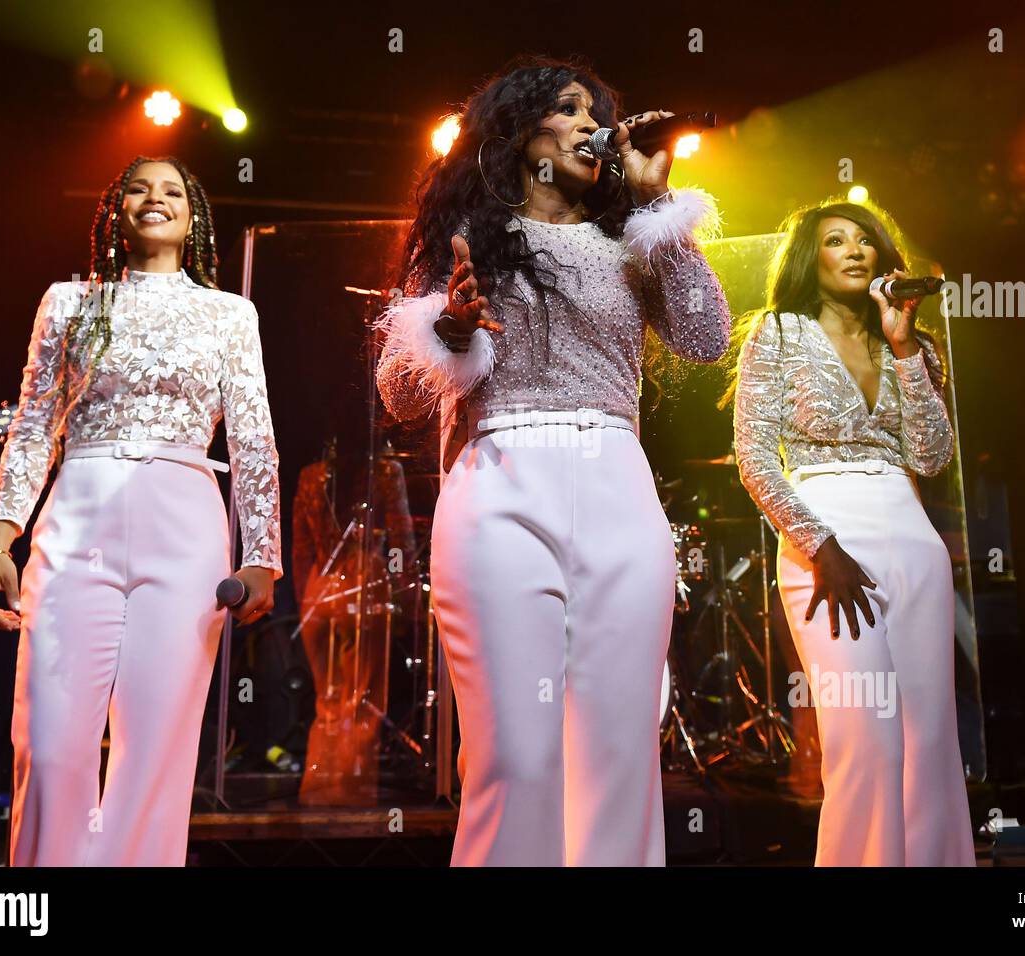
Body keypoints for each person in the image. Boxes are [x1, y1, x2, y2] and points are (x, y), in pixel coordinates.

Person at [375, 56, 730, 866]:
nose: (591, 125)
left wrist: (658, 210)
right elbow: (398, 395)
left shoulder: (627, 243)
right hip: (501, 482)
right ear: (520, 131)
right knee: (516, 757)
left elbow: (708, 339)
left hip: (616, 482)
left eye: (597, 112)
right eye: (571, 110)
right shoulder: (466, 242)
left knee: (618, 755)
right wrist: (453, 329)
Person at [0, 155, 282, 866]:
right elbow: (31, 425)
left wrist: (261, 554)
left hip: (186, 523)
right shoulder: (68, 301)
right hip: (77, 513)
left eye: (172, 190)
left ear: (195, 217)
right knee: (50, 745)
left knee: (154, 750)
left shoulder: (230, 313)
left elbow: (255, 438)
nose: (154, 198)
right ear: (114, 211)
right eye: (138, 188)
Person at [731, 200, 974, 866]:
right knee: (868, 743)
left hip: (912, 542)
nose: (856, 249)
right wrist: (823, 547)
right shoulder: (778, 334)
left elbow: (931, 456)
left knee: (928, 745)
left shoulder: (906, 341)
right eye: (836, 241)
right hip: (828, 548)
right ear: (814, 259)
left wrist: (903, 348)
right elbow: (754, 459)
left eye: (866, 239)